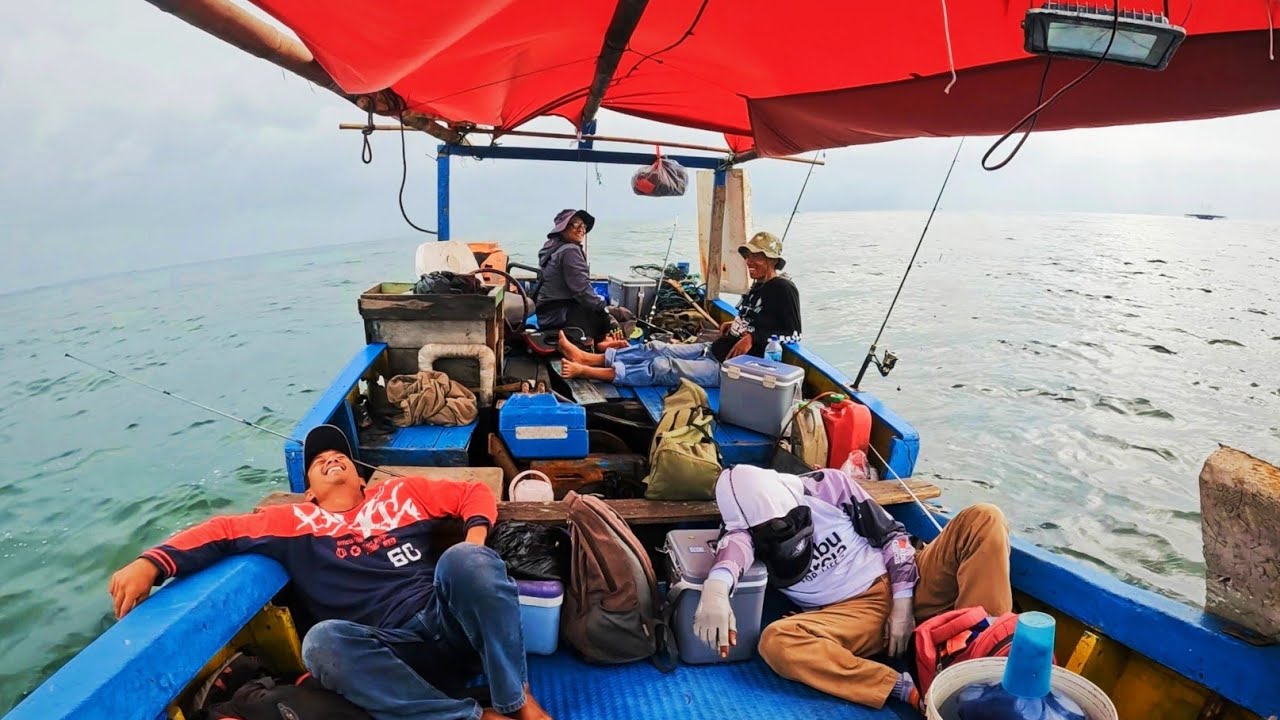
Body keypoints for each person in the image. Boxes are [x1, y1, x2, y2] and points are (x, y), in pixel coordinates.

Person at [107, 424, 552, 720]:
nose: (331, 457)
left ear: (361, 477)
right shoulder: (293, 522)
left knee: (463, 559)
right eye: (319, 459)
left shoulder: (400, 493)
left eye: (340, 453)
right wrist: (151, 562)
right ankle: (469, 717)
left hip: (452, 624)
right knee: (320, 643)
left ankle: (517, 700)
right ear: (309, 491)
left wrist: (473, 544)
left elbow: (472, 492)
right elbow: (223, 531)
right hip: (390, 657)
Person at [693, 465, 1011, 714]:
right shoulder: (740, 531)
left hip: (908, 576)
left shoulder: (826, 485)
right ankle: (905, 688)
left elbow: (893, 536)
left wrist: (902, 603)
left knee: (984, 518)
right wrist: (716, 591)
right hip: (852, 613)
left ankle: (981, 657)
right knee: (777, 642)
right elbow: (730, 558)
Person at [558, 231, 801, 386]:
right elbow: (756, 319)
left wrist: (753, 337)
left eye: (756, 256)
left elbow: (794, 334)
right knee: (655, 347)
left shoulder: (783, 288)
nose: (749, 262)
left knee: (662, 366)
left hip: (730, 369)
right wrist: (735, 325)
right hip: (713, 348)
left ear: (771, 260)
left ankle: (588, 372)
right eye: (747, 256)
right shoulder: (758, 287)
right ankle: (591, 357)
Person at [535, 209, 625, 349]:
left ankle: (602, 342)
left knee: (610, 311)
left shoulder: (553, 247)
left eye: (583, 226)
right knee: (623, 316)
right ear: (562, 228)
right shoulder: (570, 250)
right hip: (560, 315)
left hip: (547, 312)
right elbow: (582, 291)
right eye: (576, 225)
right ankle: (603, 346)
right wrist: (605, 313)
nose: (581, 229)